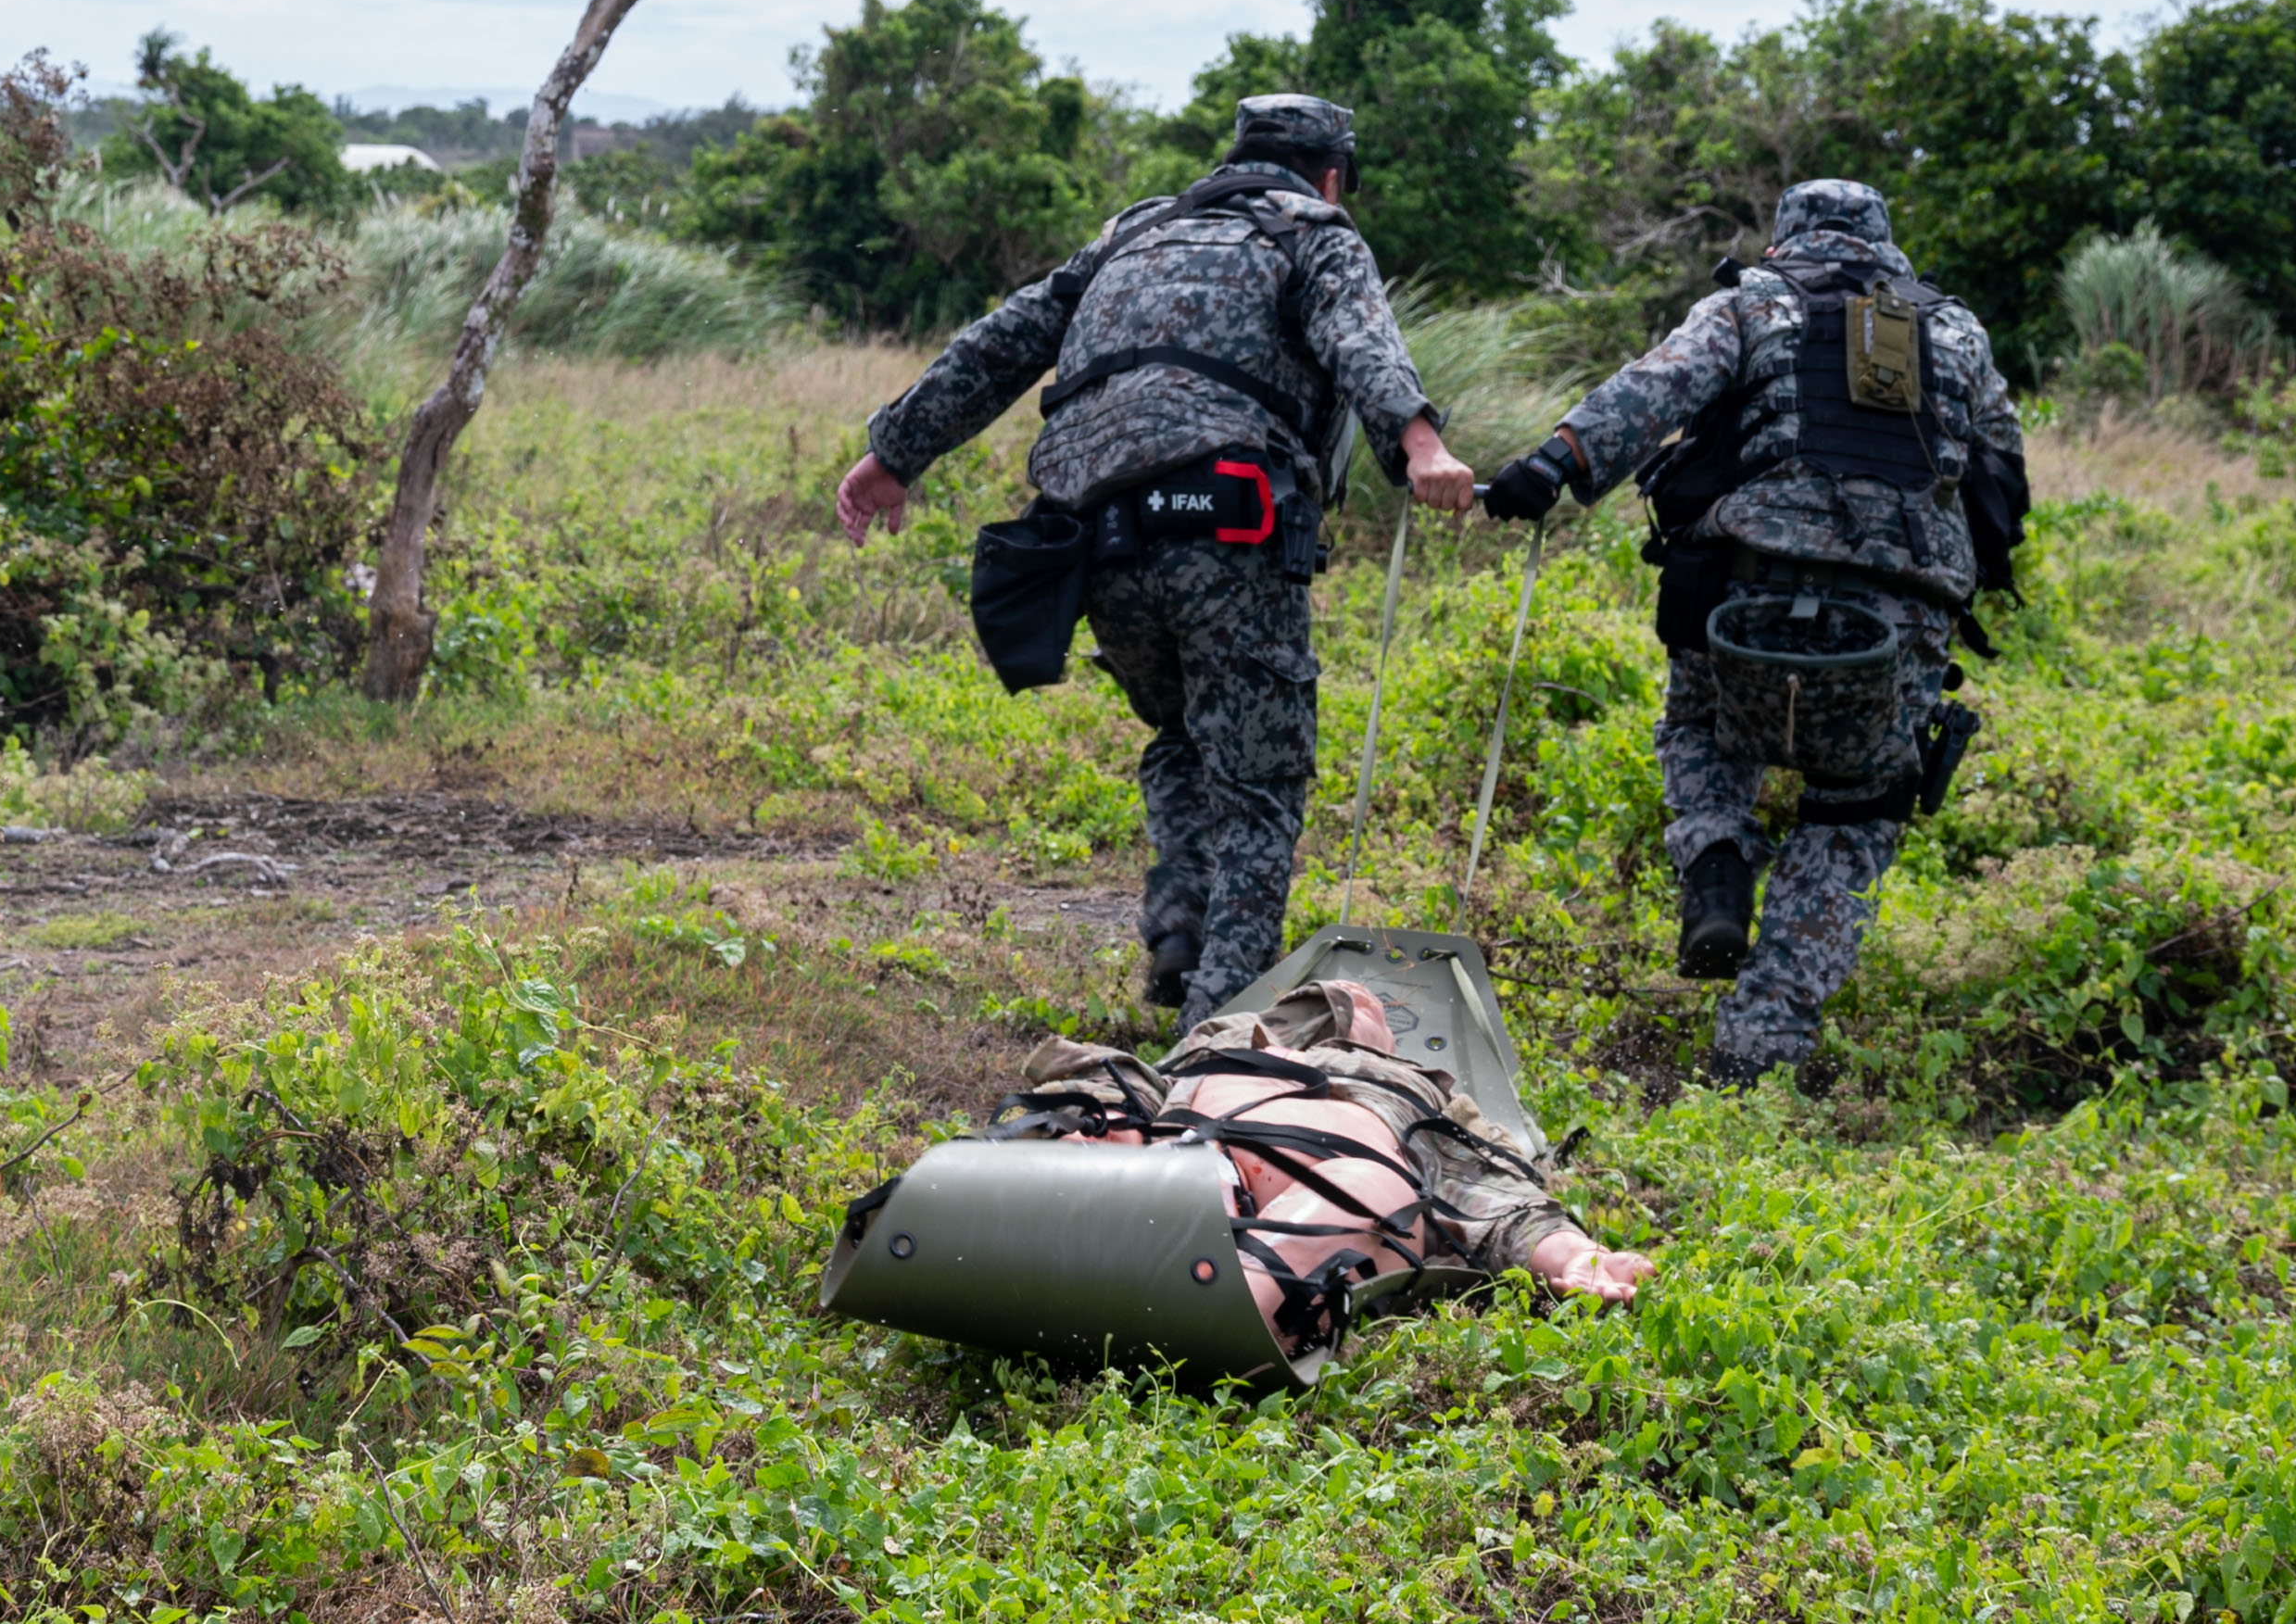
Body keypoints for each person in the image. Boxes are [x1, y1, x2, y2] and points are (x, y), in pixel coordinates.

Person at [836, 95, 1478, 1016]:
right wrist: (1423, 449)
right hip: (1229, 527)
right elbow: (1361, 341)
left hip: (1097, 538)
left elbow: (1000, 344)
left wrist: (893, 453)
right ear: (1331, 176)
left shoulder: (1134, 233)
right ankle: (1217, 1024)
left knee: (1183, 732)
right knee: (1260, 784)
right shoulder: (1316, 231)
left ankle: (1181, 929)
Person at [1478, 179, 2027, 1087]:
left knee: (1700, 728)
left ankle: (1720, 864)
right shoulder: (1960, 331)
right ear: (1887, 247)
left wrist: (1549, 468)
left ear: (1785, 241)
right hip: (1901, 615)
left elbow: (1650, 393)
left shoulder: (1752, 301)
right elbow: (2000, 471)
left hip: (1750, 592)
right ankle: (1757, 1046)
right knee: (1857, 808)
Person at [1001, 977, 1655, 1360]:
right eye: (1350, 1004)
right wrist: (1088, 1125)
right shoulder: (1210, 1055)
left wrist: (1573, 1254)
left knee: (1370, 1196)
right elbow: (1090, 1096)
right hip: (1186, 1160)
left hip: (1332, 1183)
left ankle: (1210, 1314)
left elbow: (1491, 1195)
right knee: (1099, 1132)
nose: (1366, 1006)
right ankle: (1141, 1286)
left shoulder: (1415, 1092)